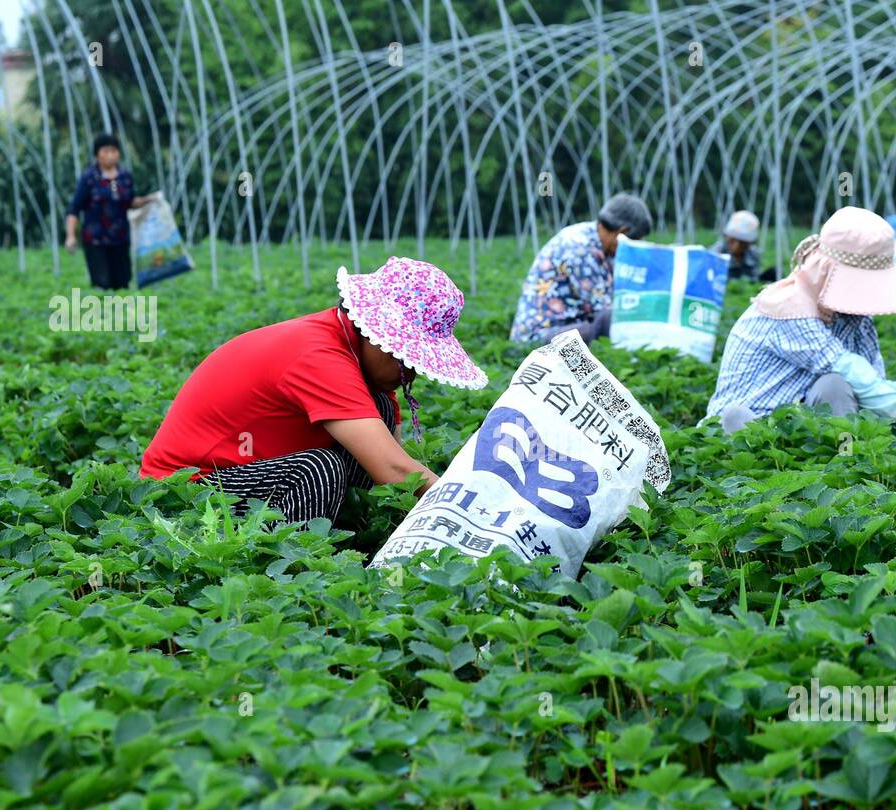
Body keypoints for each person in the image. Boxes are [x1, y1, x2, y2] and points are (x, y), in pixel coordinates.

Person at [140, 257, 488, 526]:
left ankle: (352, 528)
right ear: (372, 332)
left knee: (377, 411)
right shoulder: (318, 356)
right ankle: (289, 569)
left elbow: (394, 458)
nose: (408, 372)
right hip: (184, 487)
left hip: (247, 469)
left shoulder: (353, 355)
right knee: (318, 471)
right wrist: (476, 512)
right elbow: (394, 471)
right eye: (403, 357)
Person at [704, 206, 896, 433]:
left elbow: (875, 384)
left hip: (801, 431)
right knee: (736, 416)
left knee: (834, 385)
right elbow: (857, 375)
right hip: (754, 424)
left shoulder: (857, 320)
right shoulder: (790, 309)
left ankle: (843, 461)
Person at [510, 192, 653, 345]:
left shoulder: (597, 240)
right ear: (622, 232)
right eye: (633, 242)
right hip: (540, 336)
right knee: (609, 320)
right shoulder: (579, 249)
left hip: (570, 326)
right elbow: (606, 310)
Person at [65, 133, 154, 290]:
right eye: (105, 151)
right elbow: (74, 209)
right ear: (97, 154)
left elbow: (129, 202)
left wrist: (148, 200)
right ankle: (103, 314)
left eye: (113, 150)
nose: (110, 155)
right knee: (102, 284)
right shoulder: (89, 178)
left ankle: (121, 314)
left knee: (122, 283)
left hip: (120, 238)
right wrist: (71, 236)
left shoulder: (124, 176)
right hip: (96, 240)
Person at [711, 210, 763, 281]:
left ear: (749, 243)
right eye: (733, 240)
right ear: (727, 237)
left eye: (742, 242)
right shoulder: (716, 253)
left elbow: (755, 278)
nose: (737, 245)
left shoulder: (754, 254)